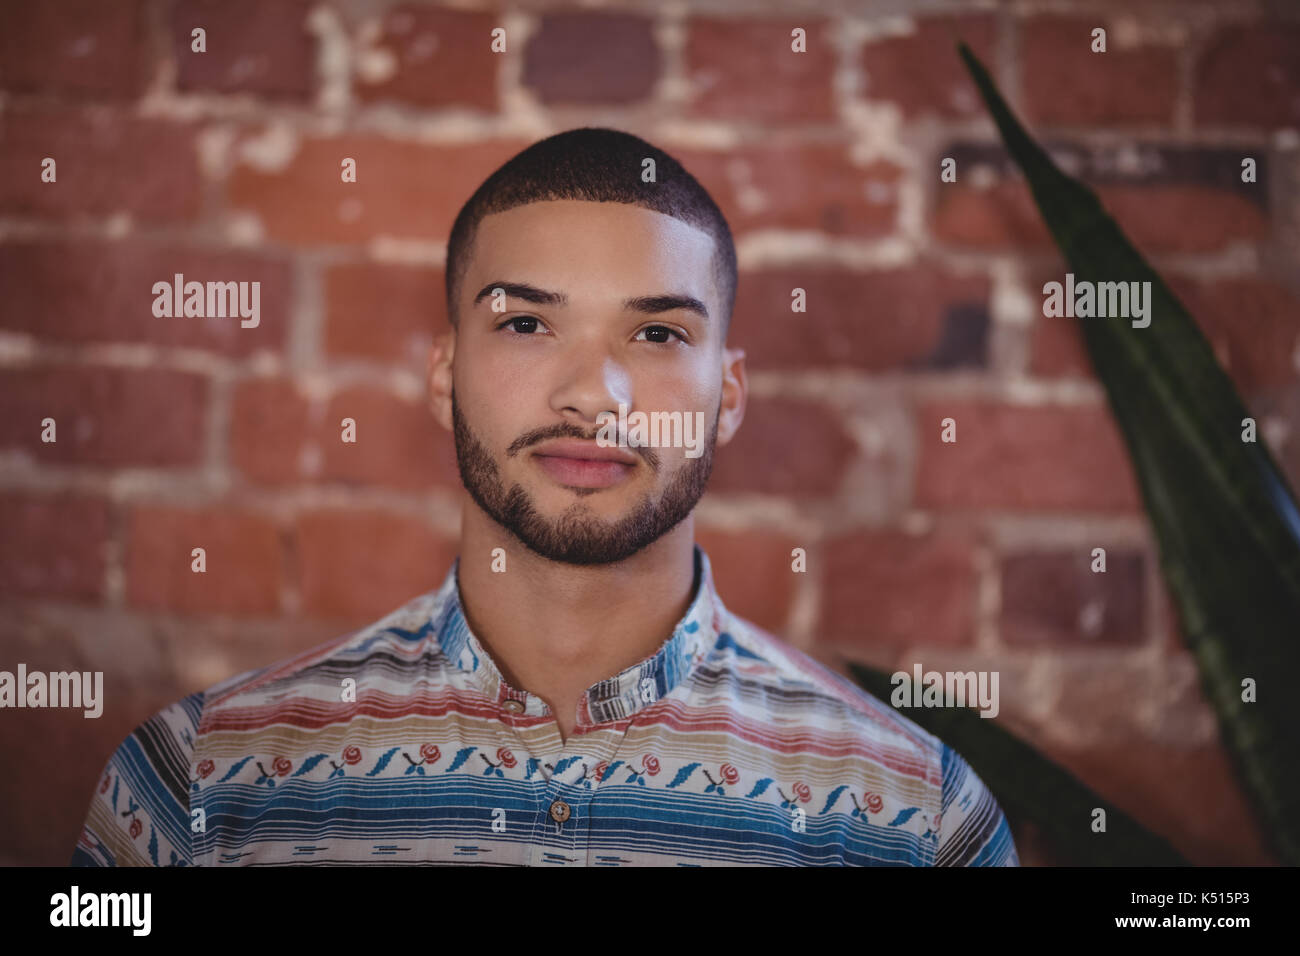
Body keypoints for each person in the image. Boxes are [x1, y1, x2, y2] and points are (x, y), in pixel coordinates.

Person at [72, 127, 1019, 867]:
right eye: (525, 322)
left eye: (656, 336)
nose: (591, 395)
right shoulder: (196, 781)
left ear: (728, 396)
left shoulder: (915, 816)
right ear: (444, 374)